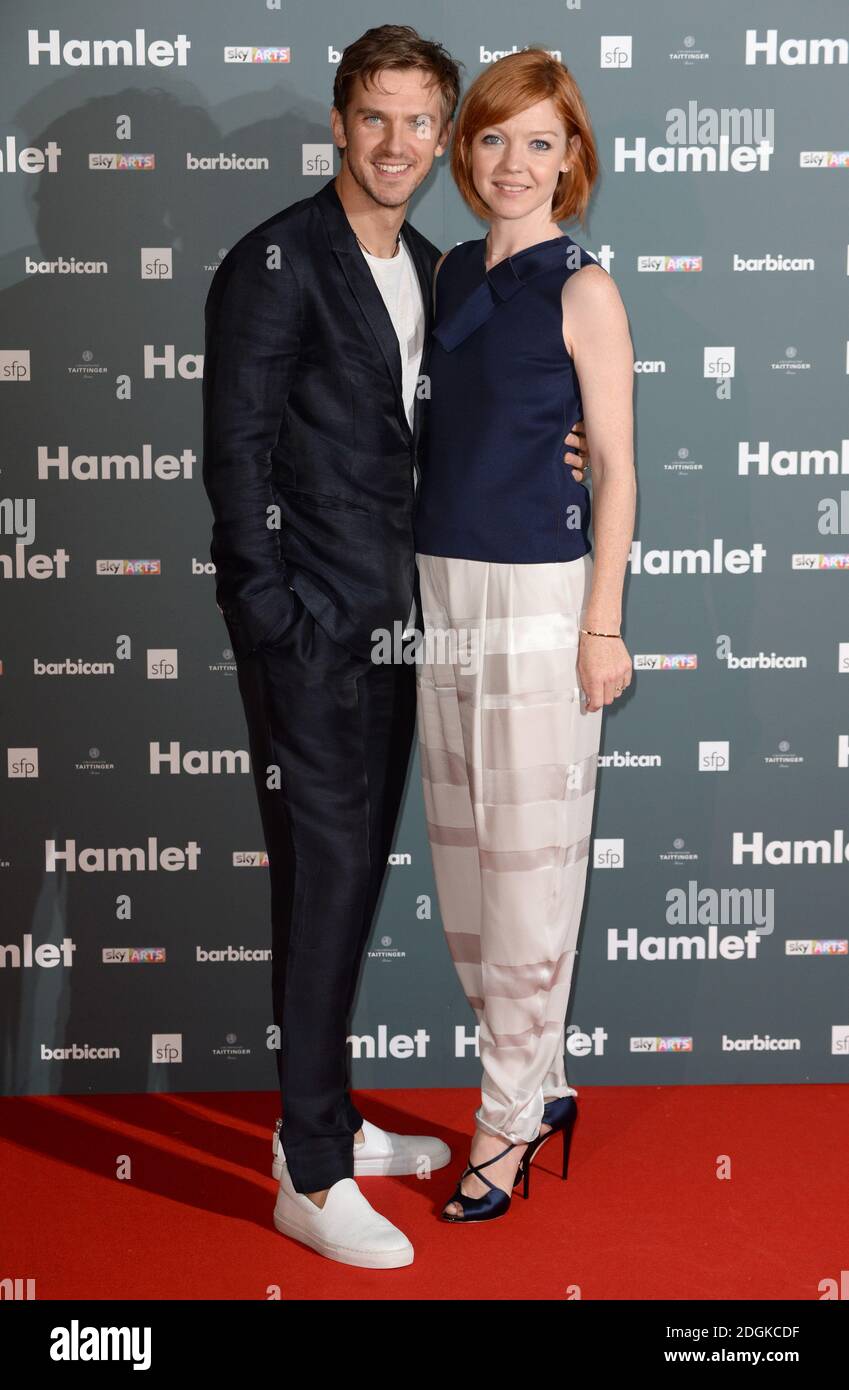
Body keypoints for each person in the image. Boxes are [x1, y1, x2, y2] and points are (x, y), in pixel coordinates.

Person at [202, 25, 590, 1268]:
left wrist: (563, 452)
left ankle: (317, 1120)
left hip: (405, 632)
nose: (399, 145)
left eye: (423, 123)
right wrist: (278, 620)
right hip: (314, 638)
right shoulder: (275, 261)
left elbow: (477, 427)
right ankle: (309, 1176)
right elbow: (236, 459)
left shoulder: (443, 267)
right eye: (377, 118)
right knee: (321, 891)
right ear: (338, 122)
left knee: (352, 888)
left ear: (443, 143)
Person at [412, 47, 636, 1223]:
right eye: (495, 138)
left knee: (530, 887)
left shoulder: (583, 289)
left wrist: (602, 622)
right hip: (439, 598)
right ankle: (540, 1084)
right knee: (467, 880)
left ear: (572, 158)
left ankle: (502, 1124)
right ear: (468, 151)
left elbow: (618, 468)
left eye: (540, 141)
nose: (514, 162)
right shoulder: (445, 270)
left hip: (542, 605)